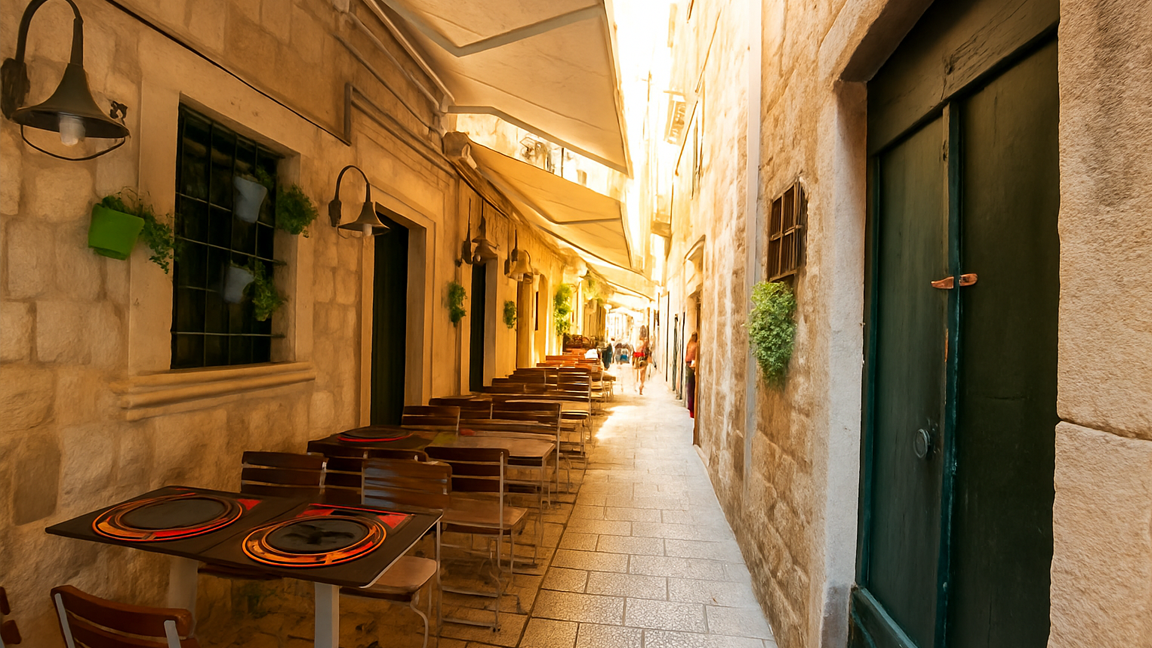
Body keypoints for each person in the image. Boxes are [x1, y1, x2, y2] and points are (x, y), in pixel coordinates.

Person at [685, 333, 698, 417]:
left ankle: (690, 409)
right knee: (693, 388)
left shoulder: (689, 344)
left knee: (689, 387)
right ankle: (693, 410)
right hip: (692, 366)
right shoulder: (696, 345)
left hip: (688, 365)